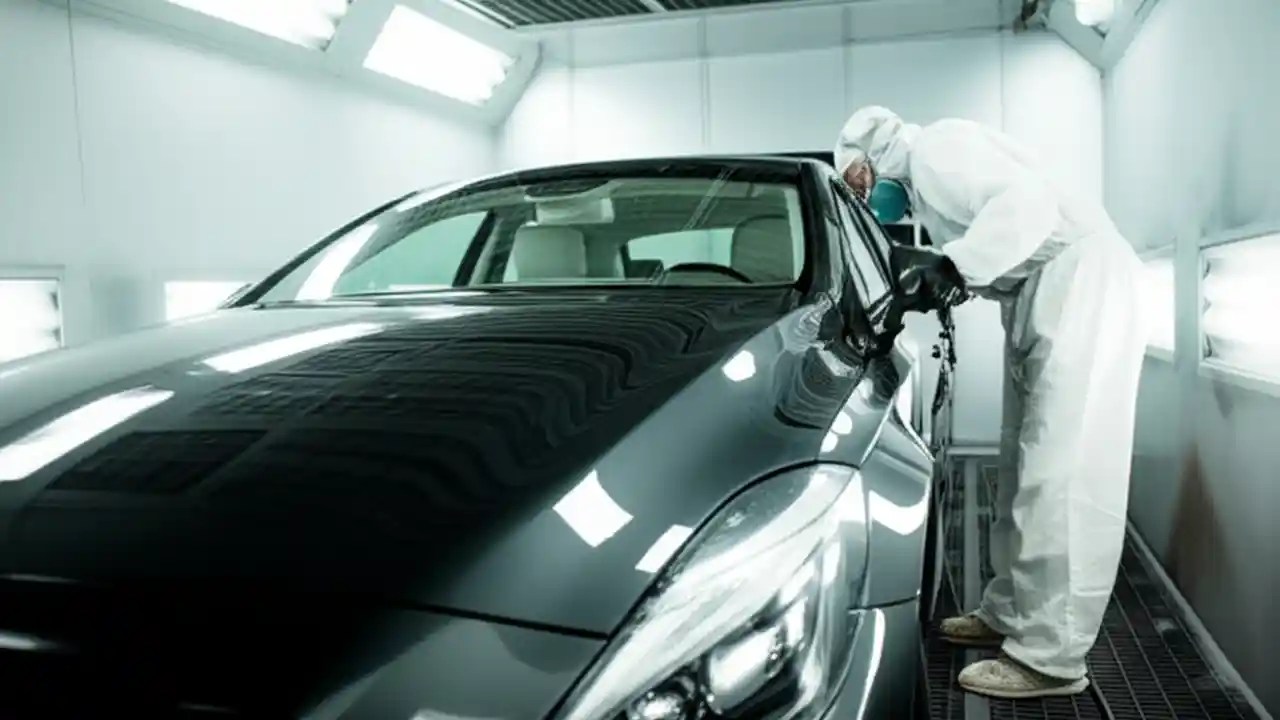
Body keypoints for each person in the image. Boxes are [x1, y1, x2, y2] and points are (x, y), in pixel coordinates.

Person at [834, 106, 1147, 699]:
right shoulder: (928, 188)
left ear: (879, 153)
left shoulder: (935, 152)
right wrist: (954, 269)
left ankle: (1050, 658)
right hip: (1045, 289)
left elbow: (1027, 206)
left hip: (1082, 282)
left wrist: (954, 265)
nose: (868, 198)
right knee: (1024, 463)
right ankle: (1009, 612)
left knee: (1064, 474)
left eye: (862, 179)